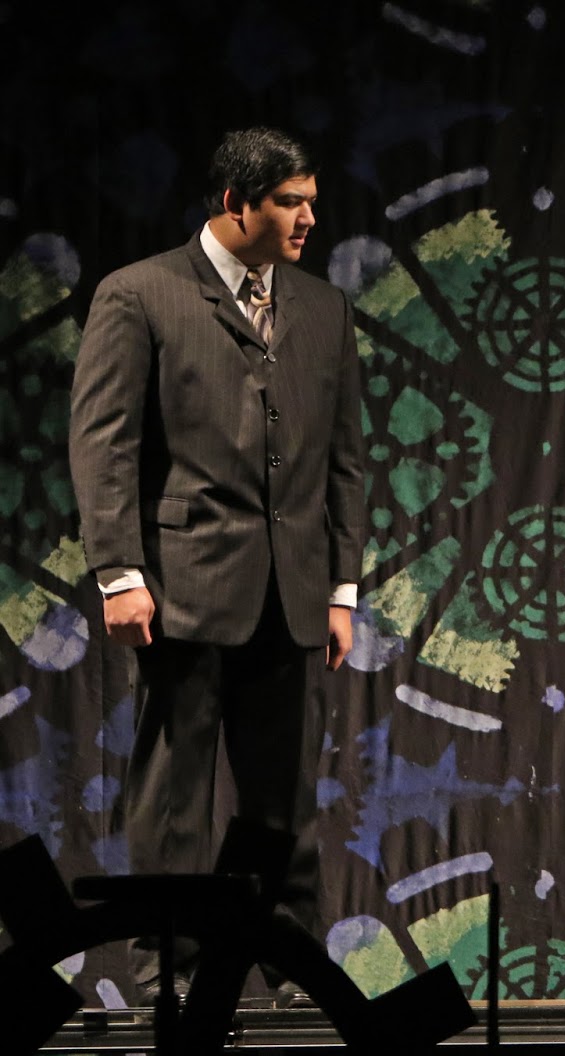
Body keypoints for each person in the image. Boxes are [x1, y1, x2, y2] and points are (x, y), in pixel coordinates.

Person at [68, 127, 367, 1008]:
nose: (309, 217)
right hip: (182, 585)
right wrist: (120, 574)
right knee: (176, 798)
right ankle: (172, 969)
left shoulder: (322, 308)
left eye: (310, 200)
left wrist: (342, 590)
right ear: (236, 205)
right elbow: (104, 445)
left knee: (282, 803)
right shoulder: (141, 294)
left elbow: (345, 459)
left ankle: (286, 969)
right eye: (289, 202)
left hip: (294, 592)